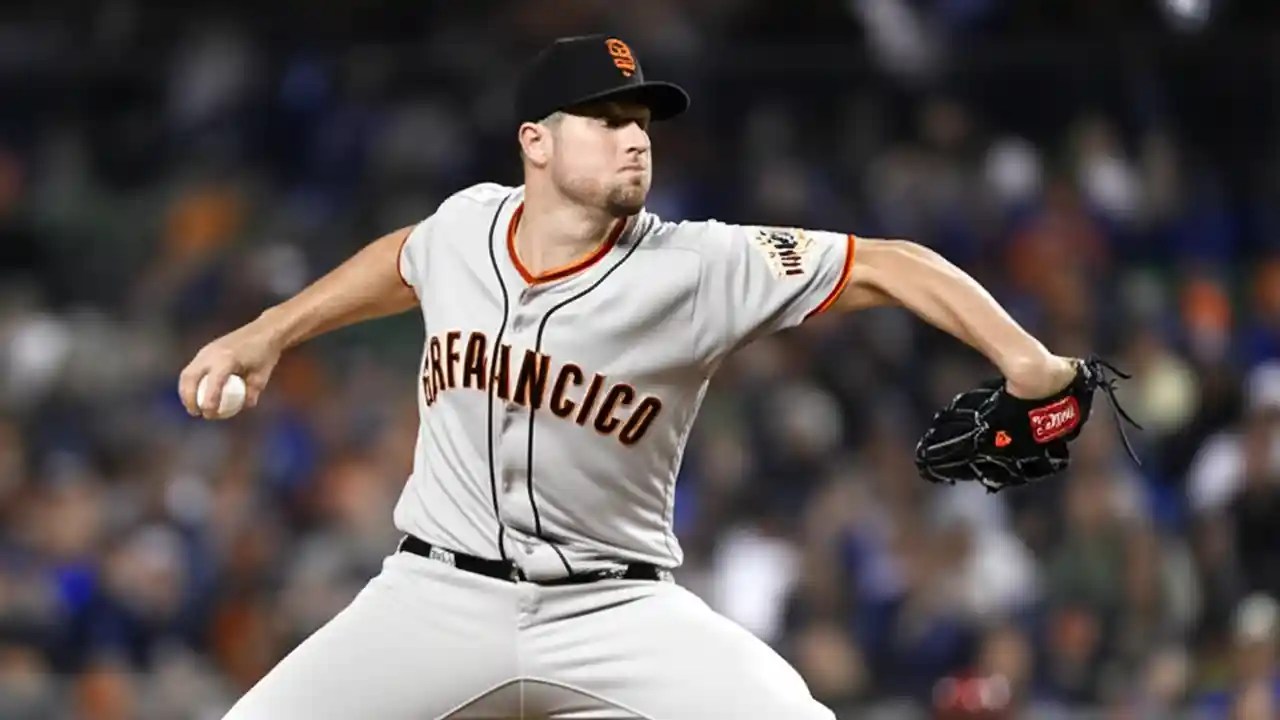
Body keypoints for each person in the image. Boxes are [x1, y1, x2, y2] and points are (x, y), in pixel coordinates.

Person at [179, 34, 1077, 720]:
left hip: (614, 608)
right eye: (607, 121)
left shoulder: (697, 265)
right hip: (435, 595)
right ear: (535, 140)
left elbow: (891, 263)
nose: (634, 141)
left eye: (641, 124)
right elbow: (400, 261)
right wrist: (270, 331)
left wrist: (1026, 360)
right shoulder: (465, 226)